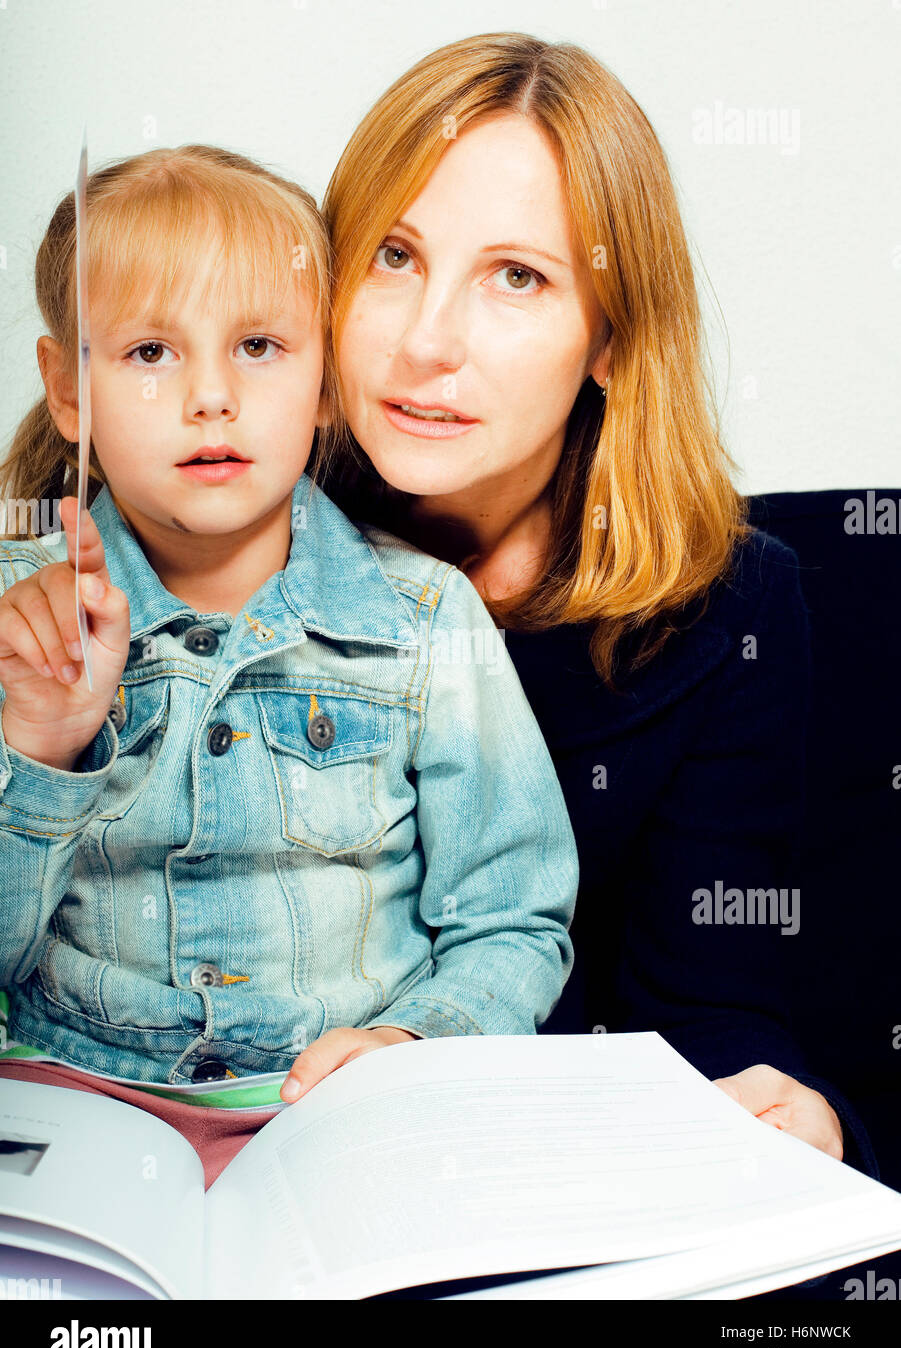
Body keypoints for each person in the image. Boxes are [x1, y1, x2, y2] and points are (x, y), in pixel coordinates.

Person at [315, 31, 878, 1176]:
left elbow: (707, 1013)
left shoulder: (728, 610)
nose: (427, 341)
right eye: (391, 255)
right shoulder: (201, 516)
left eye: (515, 277)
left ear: (609, 337)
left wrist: (788, 1117)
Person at [0, 144, 579, 1167]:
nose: (211, 396)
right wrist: (38, 749)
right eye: (149, 353)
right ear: (70, 391)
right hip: (72, 1104)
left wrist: (414, 1039)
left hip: (338, 1115)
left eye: (260, 345)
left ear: (323, 380)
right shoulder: (20, 616)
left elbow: (513, 919)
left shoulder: (425, 618)